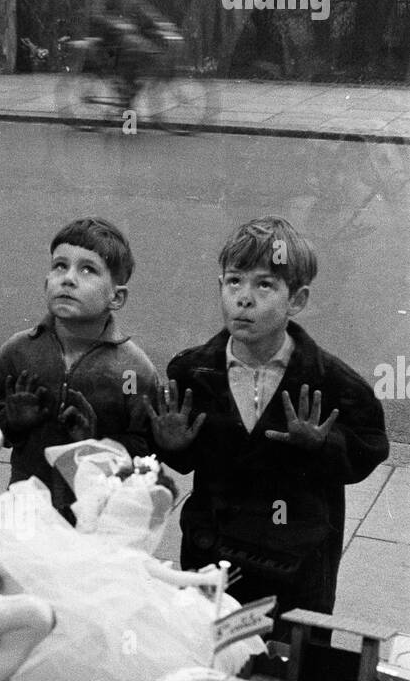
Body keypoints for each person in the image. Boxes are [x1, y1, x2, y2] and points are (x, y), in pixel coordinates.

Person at [147, 216, 390, 636]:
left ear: (296, 300)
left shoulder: (333, 383)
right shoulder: (192, 371)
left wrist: (323, 445)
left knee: (292, 664)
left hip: (297, 565)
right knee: (212, 650)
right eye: (234, 281)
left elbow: (369, 448)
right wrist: (172, 445)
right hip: (215, 553)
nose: (244, 299)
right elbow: (185, 458)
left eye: (265, 285)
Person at [0, 217, 160, 516]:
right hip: (27, 511)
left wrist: (95, 444)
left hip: (98, 518)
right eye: (60, 266)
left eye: (88, 269)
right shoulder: (20, 350)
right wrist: (12, 420)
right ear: (46, 283)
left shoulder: (133, 369)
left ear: (117, 297)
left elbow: (147, 451)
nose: (68, 278)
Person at [89, 0, 176, 98]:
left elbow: (141, 6)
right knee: (137, 46)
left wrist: (160, 23)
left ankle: (129, 85)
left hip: (126, 32)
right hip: (106, 32)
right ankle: (126, 86)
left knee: (151, 46)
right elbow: (97, 13)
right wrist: (118, 24)